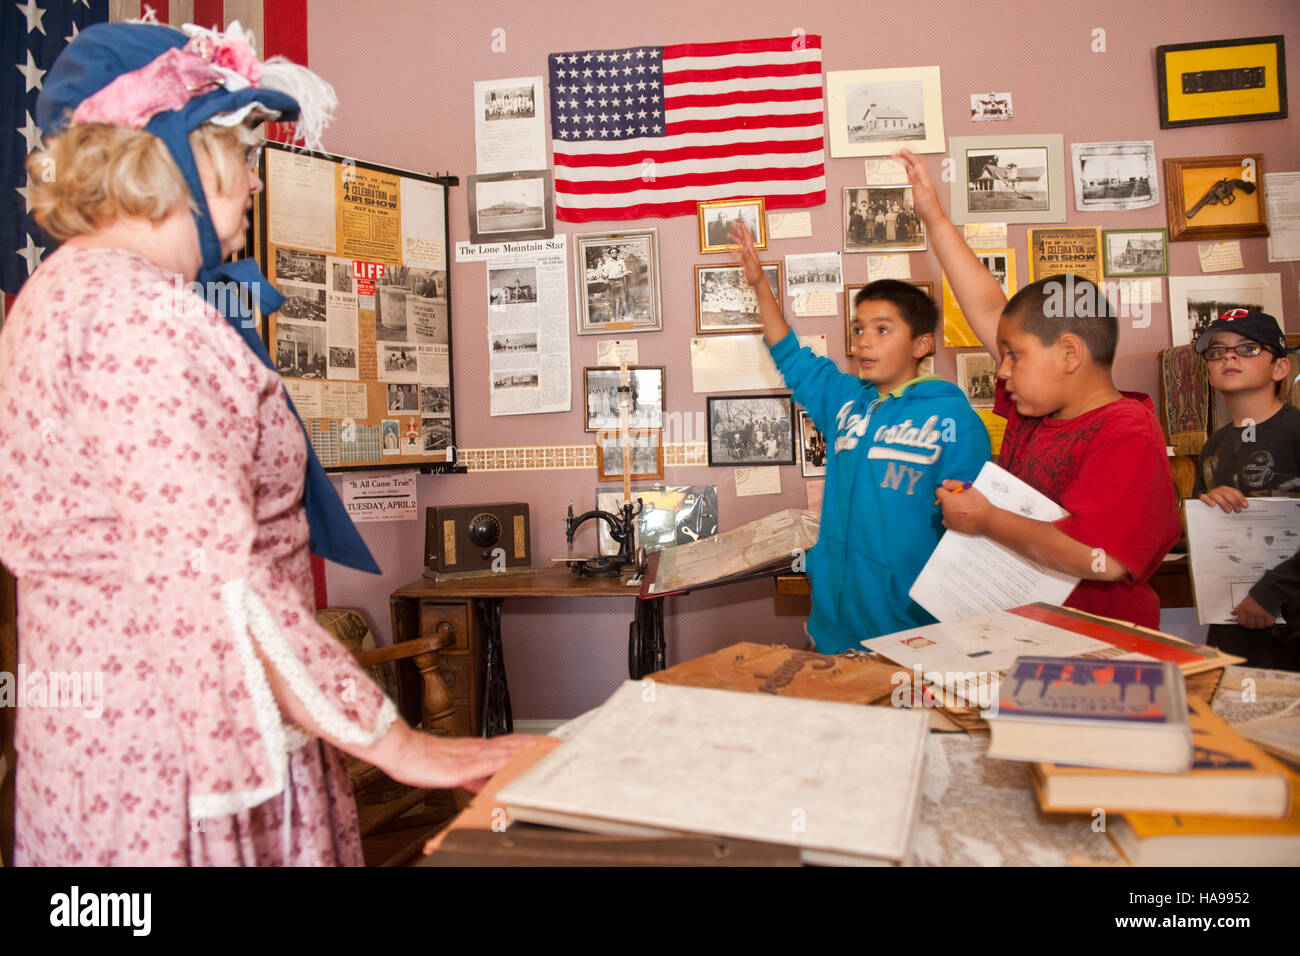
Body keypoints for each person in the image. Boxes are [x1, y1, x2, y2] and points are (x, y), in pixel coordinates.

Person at [0, 19, 534, 867]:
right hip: (179, 762)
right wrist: (404, 747)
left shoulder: (67, 295)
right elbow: (215, 581)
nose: (254, 181)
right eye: (239, 154)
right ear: (169, 156)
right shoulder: (138, 319)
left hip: (113, 751)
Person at [895, 148, 1180, 629]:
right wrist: (935, 218)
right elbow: (987, 306)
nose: (1001, 370)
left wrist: (985, 519)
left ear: (1070, 355)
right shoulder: (1039, 408)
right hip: (1027, 632)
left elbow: (1102, 561)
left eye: (1014, 354)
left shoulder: (1126, 431)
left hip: (1099, 649)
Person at [730, 221, 990, 653]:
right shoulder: (846, 400)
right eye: (859, 328)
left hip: (913, 636)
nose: (864, 342)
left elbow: (975, 534)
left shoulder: (953, 419)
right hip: (833, 627)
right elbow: (789, 354)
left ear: (922, 343)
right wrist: (759, 284)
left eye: (882, 330)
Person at [1191, 309, 1300, 668]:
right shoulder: (1214, 446)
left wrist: (1271, 593)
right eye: (1216, 351)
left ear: (1279, 368)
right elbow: (1202, 539)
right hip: (1235, 624)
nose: (1229, 357)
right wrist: (1207, 508)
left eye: (1248, 348)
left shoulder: (1296, 431)